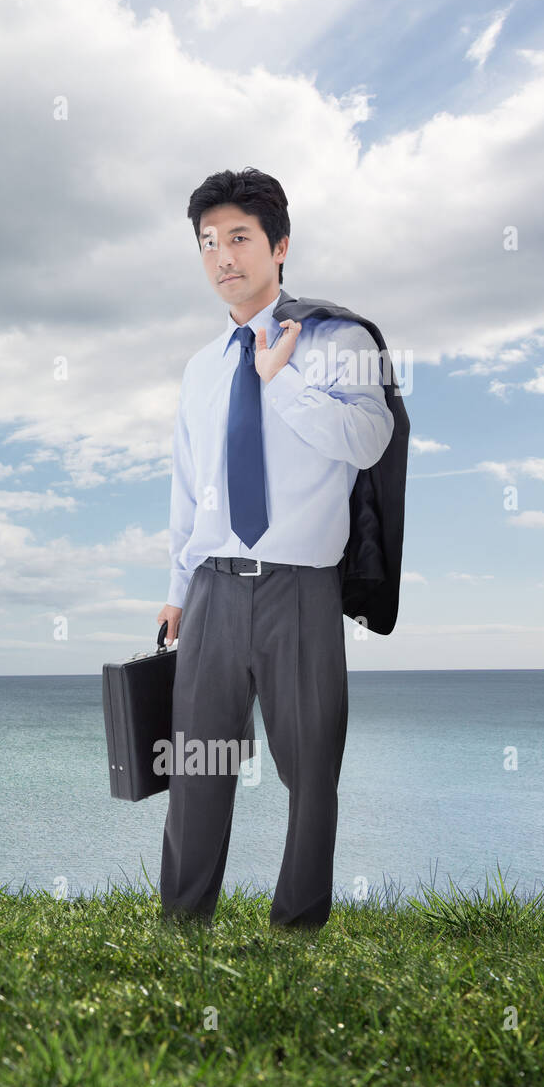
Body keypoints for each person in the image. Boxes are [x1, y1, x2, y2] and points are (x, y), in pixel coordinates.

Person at [156, 167, 394, 930]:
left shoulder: (340, 338)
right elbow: (190, 493)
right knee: (199, 766)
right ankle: (183, 923)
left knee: (310, 769)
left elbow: (370, 437)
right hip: (216, 589)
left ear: (280, 245)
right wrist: (177, 586)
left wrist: (280, 381)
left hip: (300, 589)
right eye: (208, 243)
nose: (223, 257)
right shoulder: (199, 370)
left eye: (239, 239)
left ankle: (297, 927)